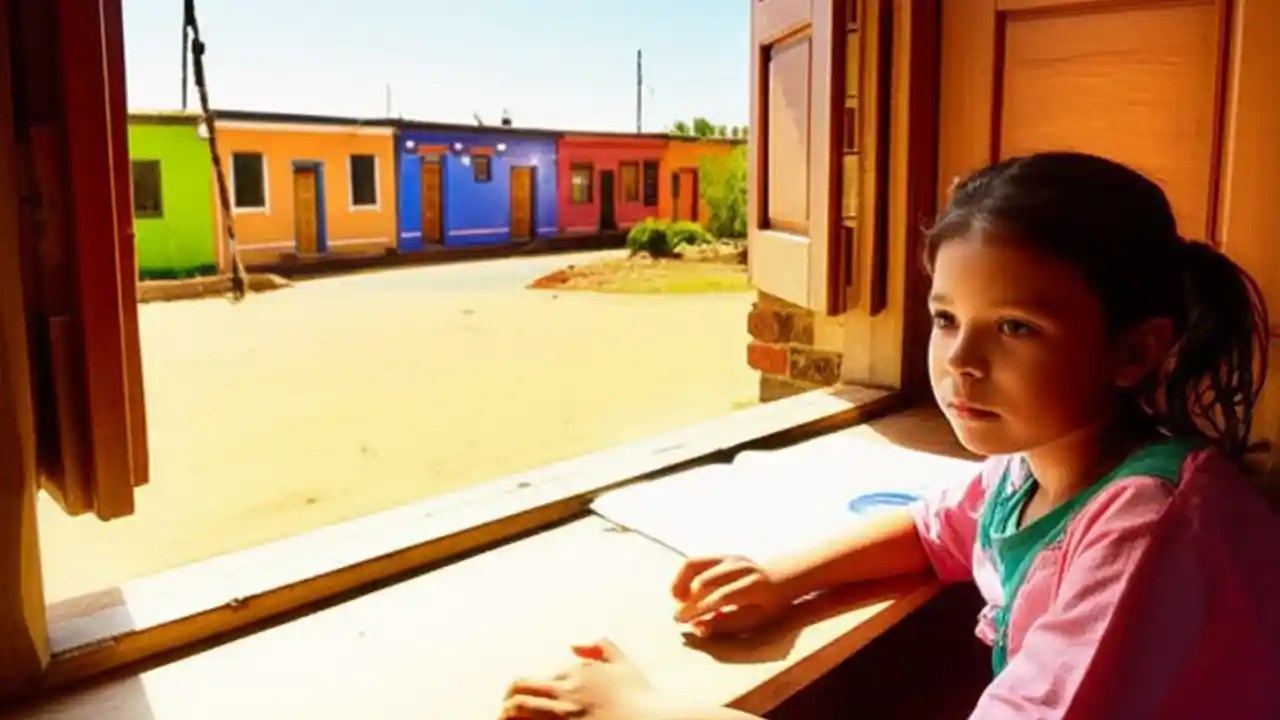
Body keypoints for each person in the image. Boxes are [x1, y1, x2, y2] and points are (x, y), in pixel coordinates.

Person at [498, 152, 1274, 719]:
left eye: (1014, 327)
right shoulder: (1034, 465)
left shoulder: (1147, 529)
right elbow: (936, 528)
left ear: (1132, 351)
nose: (961, 362)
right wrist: (780, 577)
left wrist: (642, 710)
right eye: (945, 320)